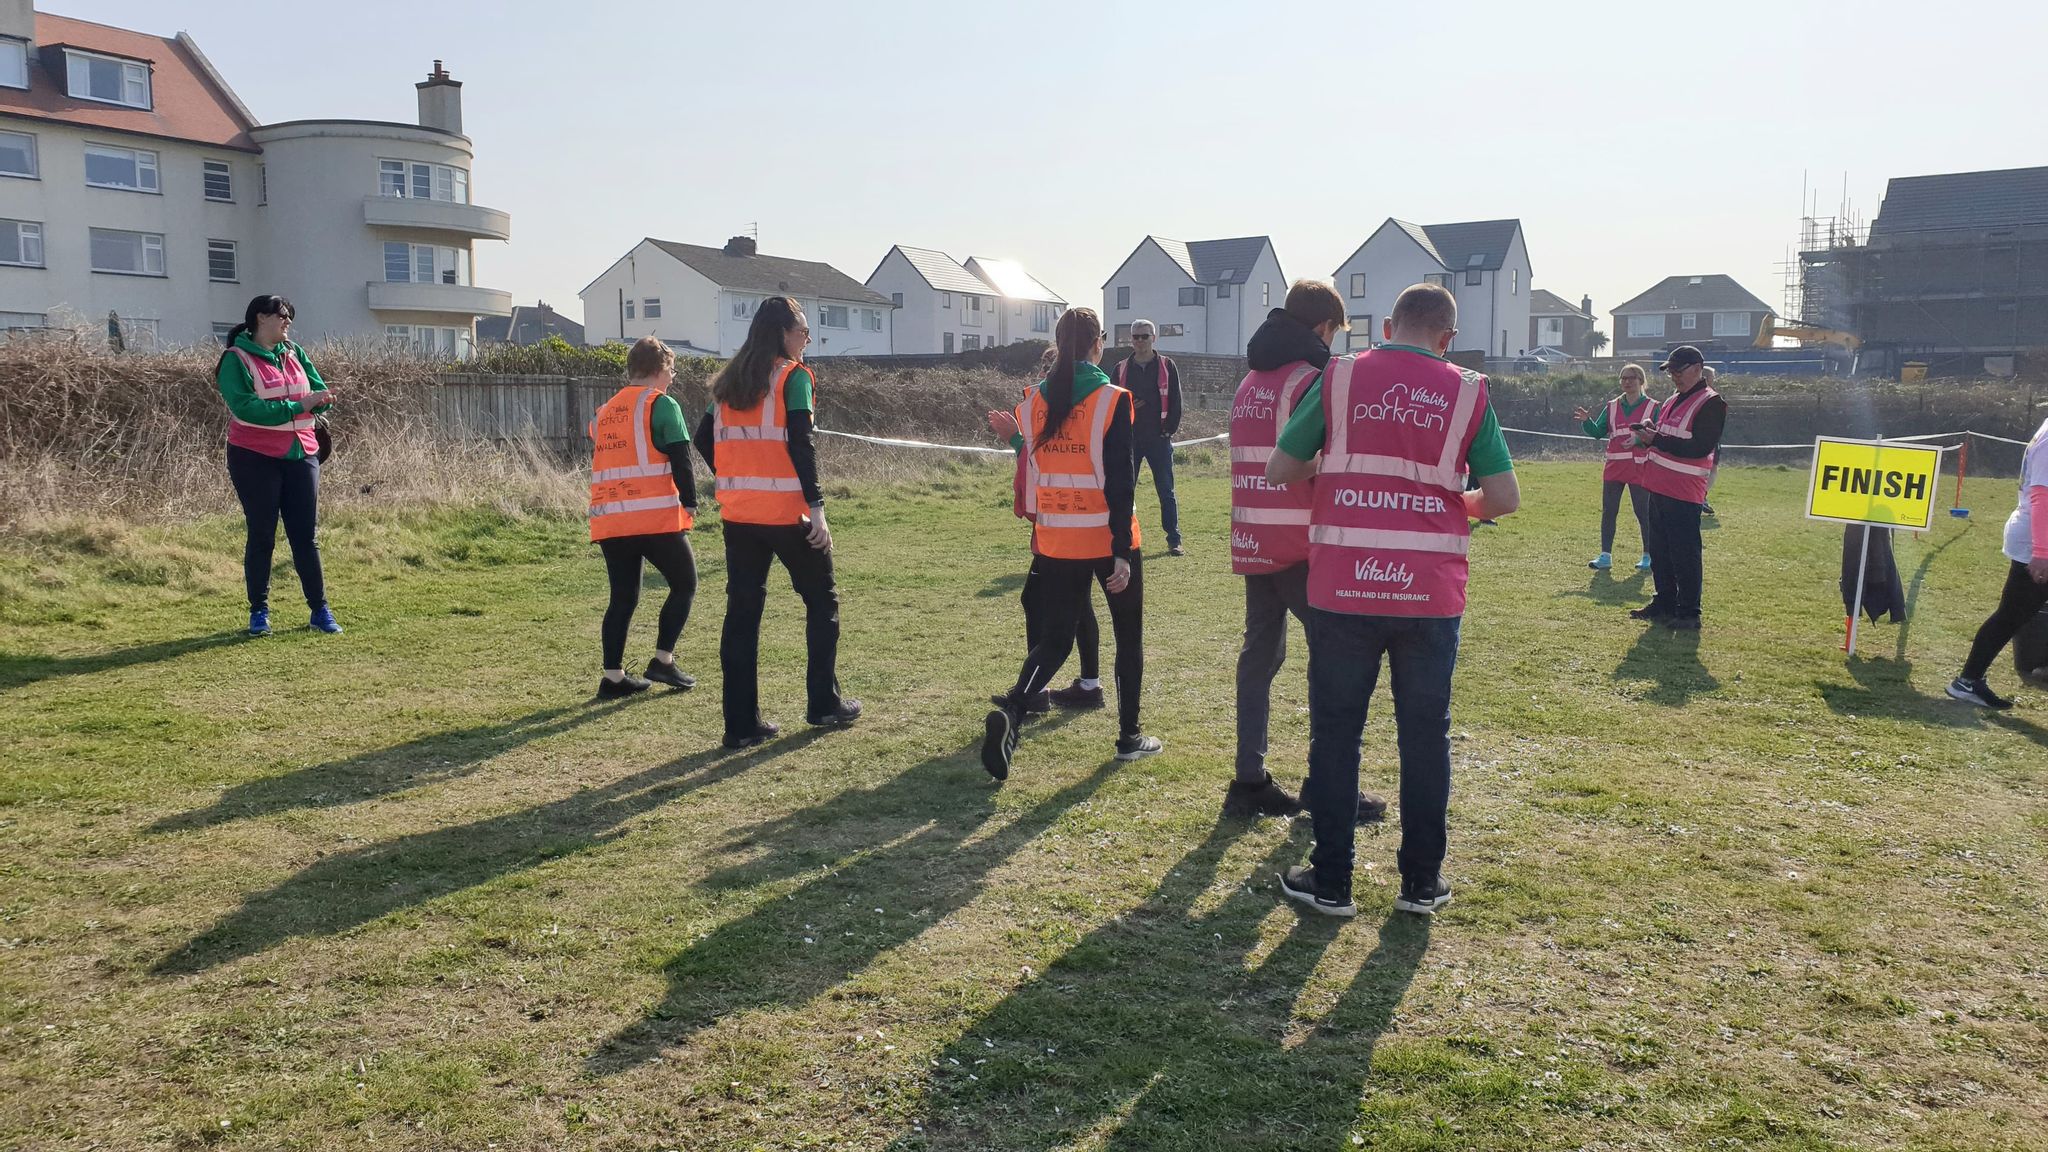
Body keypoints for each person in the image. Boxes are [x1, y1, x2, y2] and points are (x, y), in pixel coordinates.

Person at [1266, 282, 1520, 918]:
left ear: (1387, 323)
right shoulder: (1468, 390)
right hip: (1429, 592)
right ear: (1447, 338)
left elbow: (1280, 468)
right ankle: (1420, 882)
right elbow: (1505, 497)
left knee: (1336, 733)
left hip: (1345, 583)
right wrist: (1461, 505)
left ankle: (1331, 882)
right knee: (1425, 737)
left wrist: (1331, 470)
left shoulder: (1343, 377)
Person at [1225, 280, 1388, 826]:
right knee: (1336, 662)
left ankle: (1249, 779)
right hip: (1303, 542)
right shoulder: (1312, 380)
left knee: (1260, 658)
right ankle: (1328, 784)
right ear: (1323, 328)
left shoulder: (1250, 380)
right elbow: (1331, 456)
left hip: (1254, 535)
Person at [982, 307, 1162, 779]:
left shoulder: (1034, 401)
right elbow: (1121, 482)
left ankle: (1015, 712)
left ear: (1059, 343)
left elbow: (1036, 469)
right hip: (1106, 534)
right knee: (1128, 638)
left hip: (1058, 538)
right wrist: (1122, 548)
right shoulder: (1111, 399)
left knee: (1057, 636)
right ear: (1098, 343)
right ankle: (1129, 736)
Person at [694, 296, 862, 748]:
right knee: (822, 602)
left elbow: (702, 437)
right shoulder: (794, 376)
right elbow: (800, 442)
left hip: (740, 516)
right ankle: (823, 703)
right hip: (790, 513)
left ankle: (740, 725)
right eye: (804, 332)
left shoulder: (727, 382)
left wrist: (732, 477)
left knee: (742, 616)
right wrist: (819, 507)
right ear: (784, 334)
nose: (807, 341)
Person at [216, 294, 339, 637]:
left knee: (306, 537)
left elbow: (318, 390)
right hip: (254, 457)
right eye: (283, 316)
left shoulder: (295, 352)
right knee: (261, 535)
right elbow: (247, 408)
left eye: (290, 317)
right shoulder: (235, 359)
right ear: (260, 318)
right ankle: (259, 612)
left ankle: (320, 610)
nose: (288, 322)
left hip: (302, 454)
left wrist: (319, 403)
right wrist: (299, 405)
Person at [587, 336, 699, 699]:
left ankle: (613, 677)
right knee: (684, 583)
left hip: (610, 519)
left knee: (622, 597)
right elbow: (680, 457)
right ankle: (662, 660)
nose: (672, 377)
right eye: (671, 370)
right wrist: (691, 501)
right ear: (659, 370)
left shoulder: (604, 412)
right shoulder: (662, 405)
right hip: (652, 517)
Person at [1948, 411, 2048, 709]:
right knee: (2011, 615)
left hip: (2035, 538)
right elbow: (2042, 494)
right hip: (2036, 541)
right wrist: (2042, 552)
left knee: (2013, 614)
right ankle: (1967, 680)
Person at [1630, 346, 1726, 631]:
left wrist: (1656, 439)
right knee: (1660, 551)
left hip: (1684, 491)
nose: (1674, 376)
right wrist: (1650, 431)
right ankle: (1665, 602)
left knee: (1685, 553)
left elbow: (1700, 446)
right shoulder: (1673, 399)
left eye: (1678, 370)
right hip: (1658, 485)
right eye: (1671, 371)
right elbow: (1667, 432)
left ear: (1697, 368)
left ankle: (1689, 612)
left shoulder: (1712, 402)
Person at [1573, 363, 1659, 572]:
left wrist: (1638, 442)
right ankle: (1605, 556)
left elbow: (1658, 435)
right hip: (1614, 467)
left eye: (1631, 378)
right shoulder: (1611, 406)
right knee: (1609, 511)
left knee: (1643, 512)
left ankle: (1648, 555)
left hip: (1639, 466)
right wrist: (1587, 421)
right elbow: (1597, 432)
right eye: (1623, 378)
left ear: (1641, 381)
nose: (1627, 382)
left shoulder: (1653, 407)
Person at [1115, 319, 1186, 556]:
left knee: (1166, 491)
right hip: (1130, 440)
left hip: (1159, 438)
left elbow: (1176, 400)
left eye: (1144, 336)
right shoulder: (1121, 368)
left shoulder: (1167, 365)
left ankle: (1174, 540)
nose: (1139, 341)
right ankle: (1121, 538)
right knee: (1125, 491)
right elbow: (1111, 402)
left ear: (1153, 338)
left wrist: (1168, 430)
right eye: (1135, 337)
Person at [1699, 366, 1721, 517]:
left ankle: (1701, 497)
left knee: (1711, 469)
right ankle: (1700, 497)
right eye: (1713, 377)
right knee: (1710, 469)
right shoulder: (1707, 396)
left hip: (1712, 438)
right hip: (1707, 439)